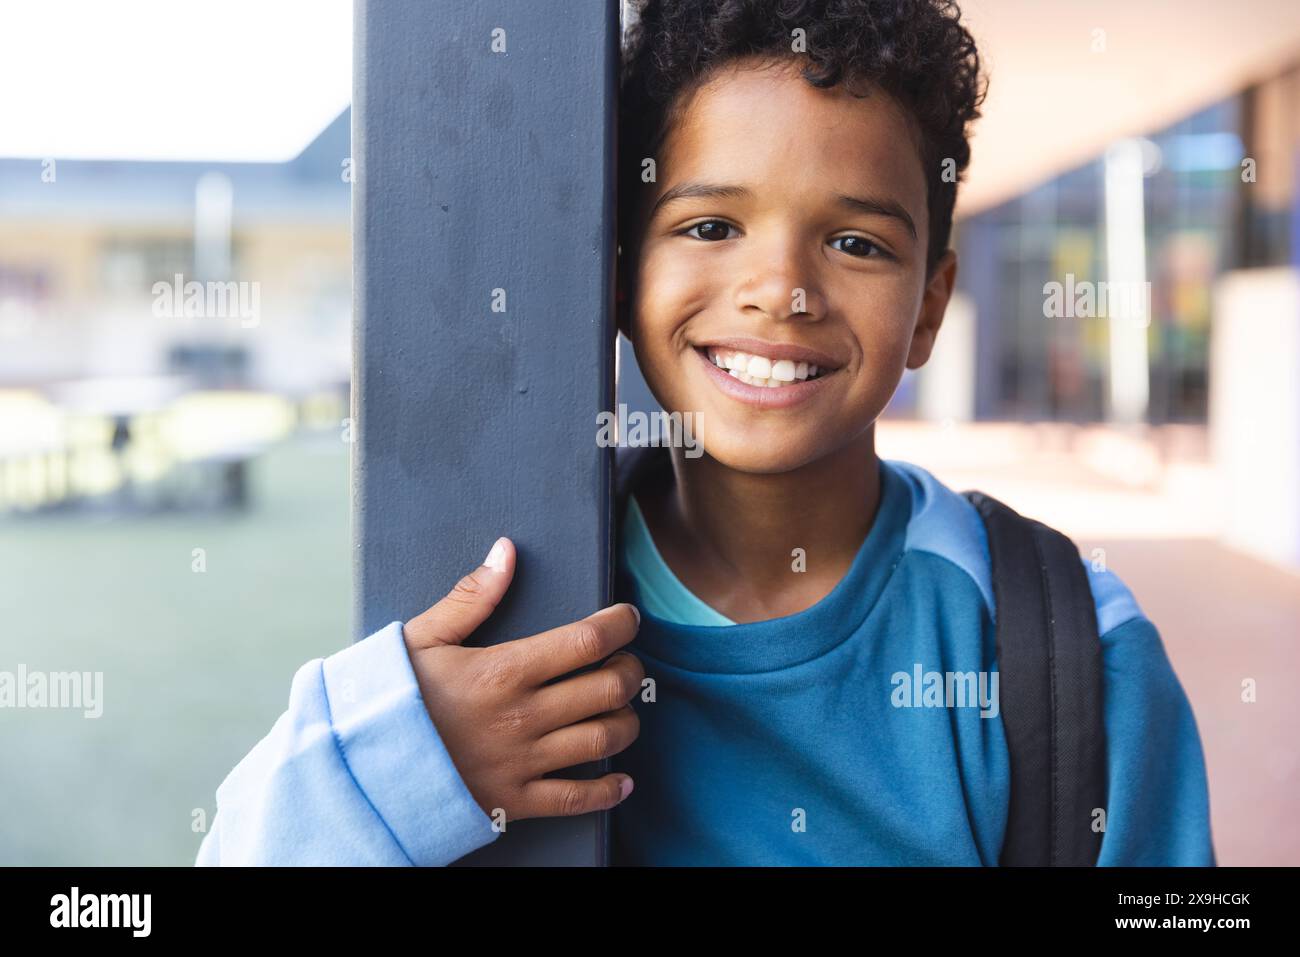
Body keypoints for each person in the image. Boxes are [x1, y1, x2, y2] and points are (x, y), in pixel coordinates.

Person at [197, 0, 1215, 866]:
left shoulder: (1069, 646)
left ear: (931, 306)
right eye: (709, 227)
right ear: (620, 271)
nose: (781, 290)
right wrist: (409, 767)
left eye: (855, 242)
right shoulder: (509, 622)